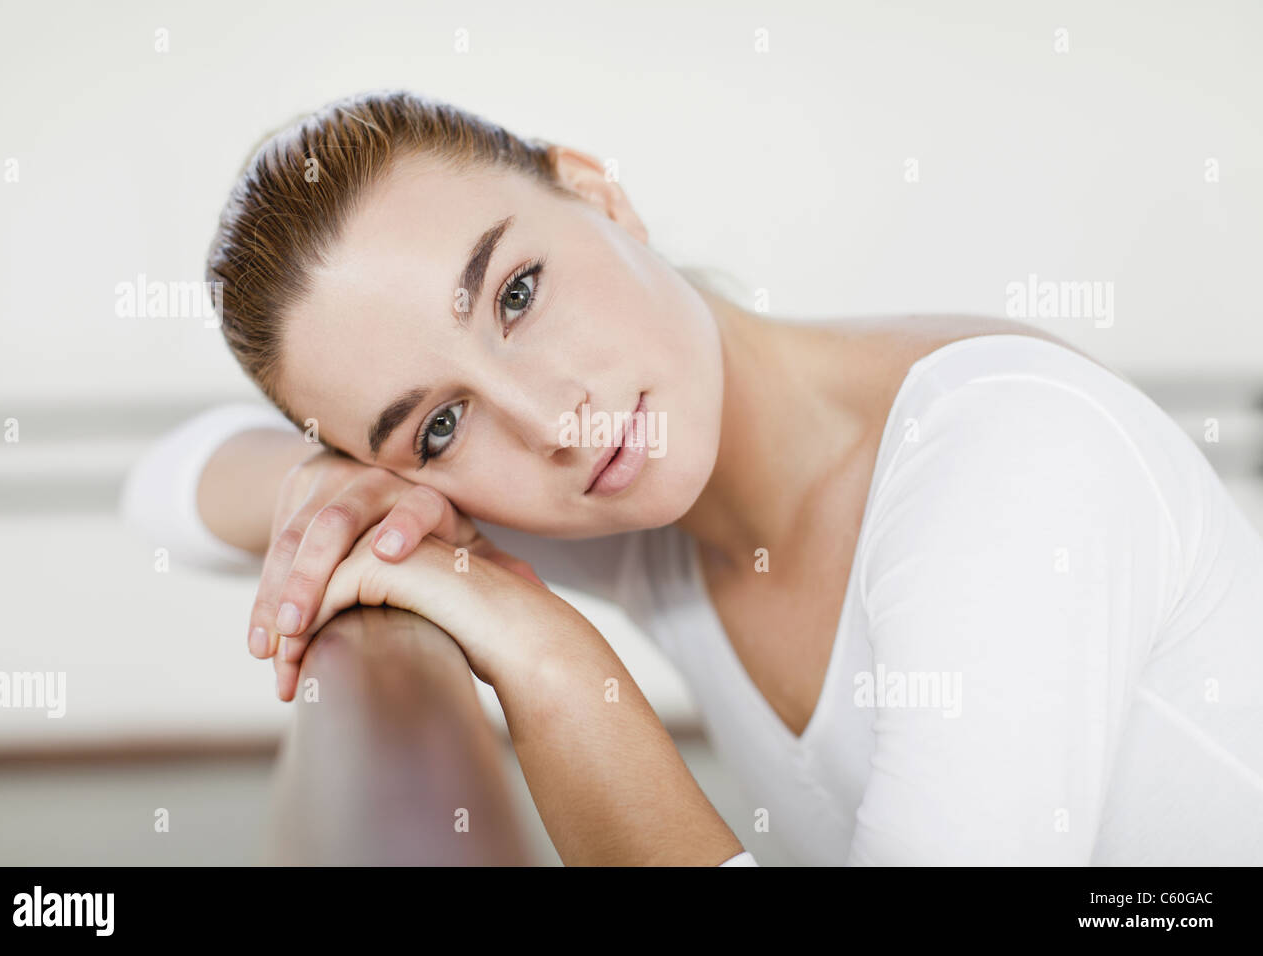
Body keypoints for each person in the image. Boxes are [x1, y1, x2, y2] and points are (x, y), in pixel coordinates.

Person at [121, 89, 1263, 866]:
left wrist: (553, 668)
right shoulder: (632, 491)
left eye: (516, 293)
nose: (550, 421)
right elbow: (165, 491)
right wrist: (320, 491)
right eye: (437, 427)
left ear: (597, 194)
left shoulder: (1008, 465)